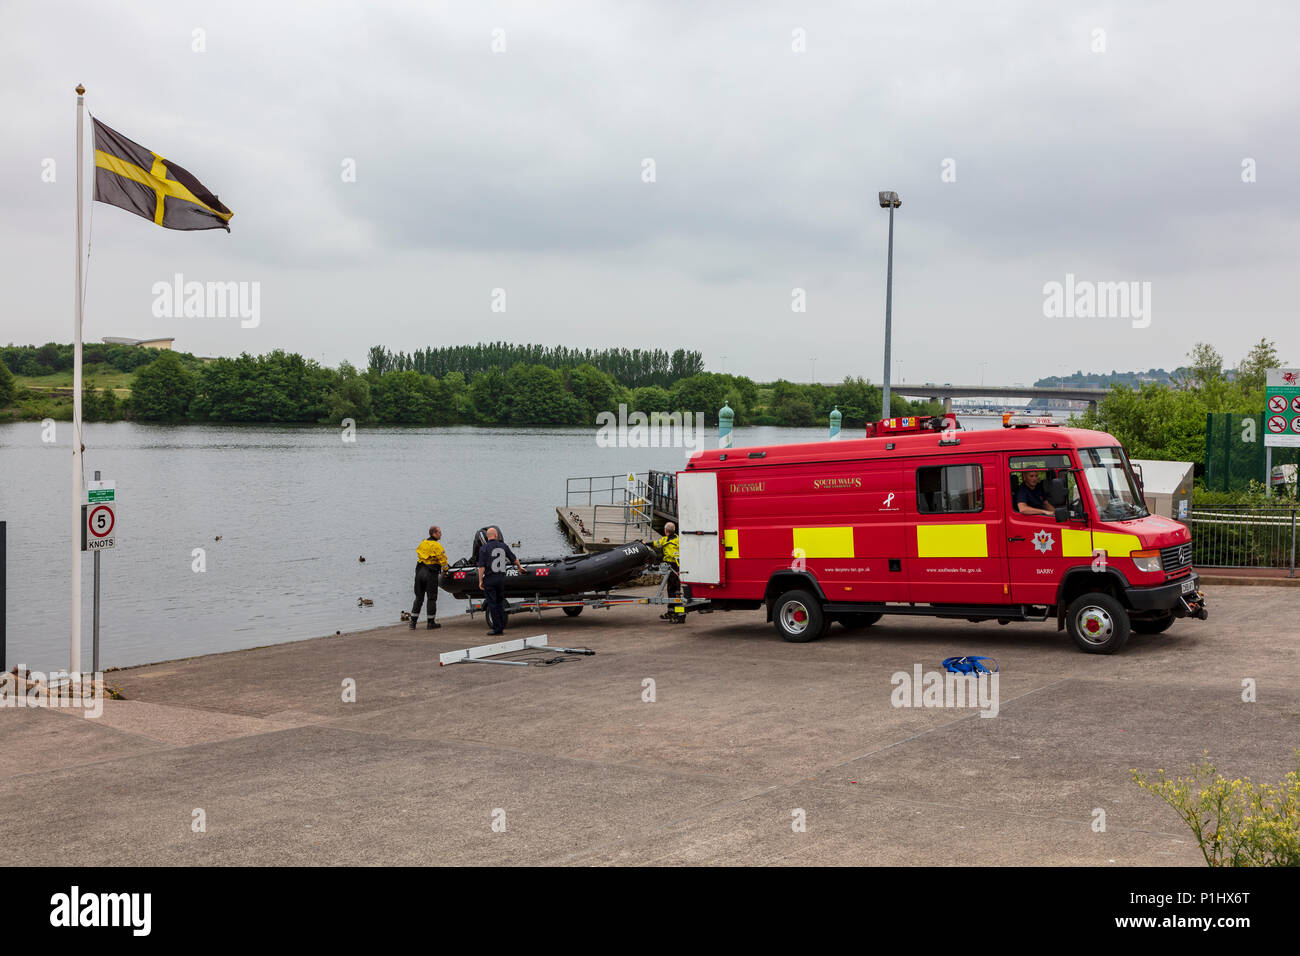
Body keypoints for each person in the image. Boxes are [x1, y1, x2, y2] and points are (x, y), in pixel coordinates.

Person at [476, 526, 523, 636]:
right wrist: (519, 567)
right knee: (500, 602)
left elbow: (481, 567)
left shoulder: (484, 548)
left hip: (490, 579)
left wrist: (480, 581)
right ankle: (501, 626)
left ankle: (497, 629)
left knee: (492, 604)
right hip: (501, 579)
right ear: (496, 535)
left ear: (487, 537)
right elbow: (514, 558)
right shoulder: (503, 546)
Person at [411, 525, 448, 629]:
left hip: (419, 572)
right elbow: (443, 560)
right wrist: (446, 571)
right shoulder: (437, 546)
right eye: (439, 532)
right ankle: (430, 623)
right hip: (430, 573)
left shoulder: (422, 543)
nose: (441, 534)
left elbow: (420, 555)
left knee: (419, 598)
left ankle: (412, 623)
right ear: (434, 534)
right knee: (431, 598)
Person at [650, 521, 681, 619]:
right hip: (678, 566)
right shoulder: (679, 539)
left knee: (672, 589)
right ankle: (673, 611)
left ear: (665, 531)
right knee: (675, 589)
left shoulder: (665, 540)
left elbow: (655, 544)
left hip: (671, 566)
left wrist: (644, 543)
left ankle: (676, 612)